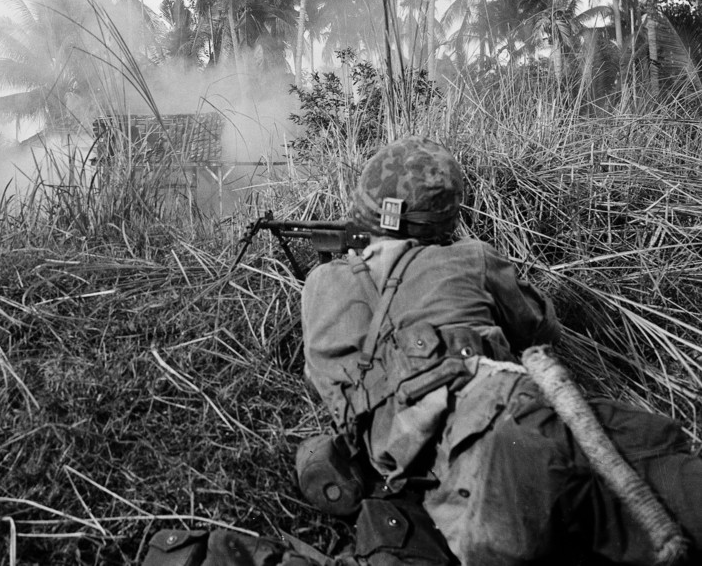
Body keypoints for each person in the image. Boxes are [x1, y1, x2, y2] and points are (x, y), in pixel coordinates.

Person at [299, 136, 702, 566]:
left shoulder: (317, 289)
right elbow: (542, 328)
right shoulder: (469, 258)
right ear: (442, 218)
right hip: (518, 419)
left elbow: (322, 380)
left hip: (447, 480)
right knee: (665, 463)